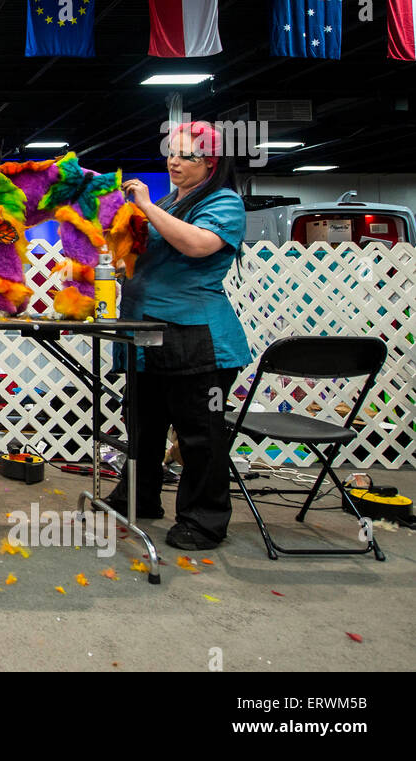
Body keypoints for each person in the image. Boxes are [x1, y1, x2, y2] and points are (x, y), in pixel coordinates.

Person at [111, 120, 251, 551]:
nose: (173, 160)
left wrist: (147, 207)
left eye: (186, 155)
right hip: (146, 335)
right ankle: (138, 496)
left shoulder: (224, 203)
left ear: (210, 162)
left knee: (199, 436)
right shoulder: (173, 201)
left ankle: (204, 520)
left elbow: (196, 245)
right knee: (145, 428)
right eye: (171, 152)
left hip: (197, 340)